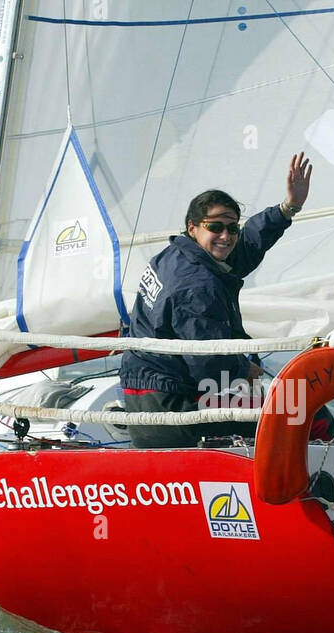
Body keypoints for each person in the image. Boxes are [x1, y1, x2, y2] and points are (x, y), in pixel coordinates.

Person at [119, 153, 312, 448]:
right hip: (175, 414)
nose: (226, 235)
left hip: (144, 404)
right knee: (308, 411)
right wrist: (244, 369)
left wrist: (288, 207)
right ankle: (303, 489)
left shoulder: (177, 256)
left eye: (232, 228)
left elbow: (248, 245)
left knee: (277, 403)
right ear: (193, 226)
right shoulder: (197, 285)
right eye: (216, 227)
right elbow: (210, 362)